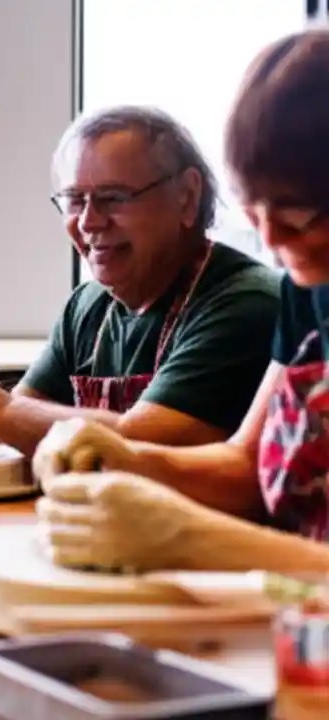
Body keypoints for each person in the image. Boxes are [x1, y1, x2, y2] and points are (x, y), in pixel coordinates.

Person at [35, 29, 329, 573]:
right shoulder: (307, 292)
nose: (273, 244)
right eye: (254, 211)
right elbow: (245, 466)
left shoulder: (247, 297)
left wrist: (198, 539)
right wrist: (125, 457)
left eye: (295, 216)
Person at [0, 106, 280, 458]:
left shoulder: (243, 302)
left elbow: (149, 442)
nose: (89, 222)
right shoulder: (88, 305)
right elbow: (18, 420)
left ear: (187, 197)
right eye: (74, 200)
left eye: (113, 198)